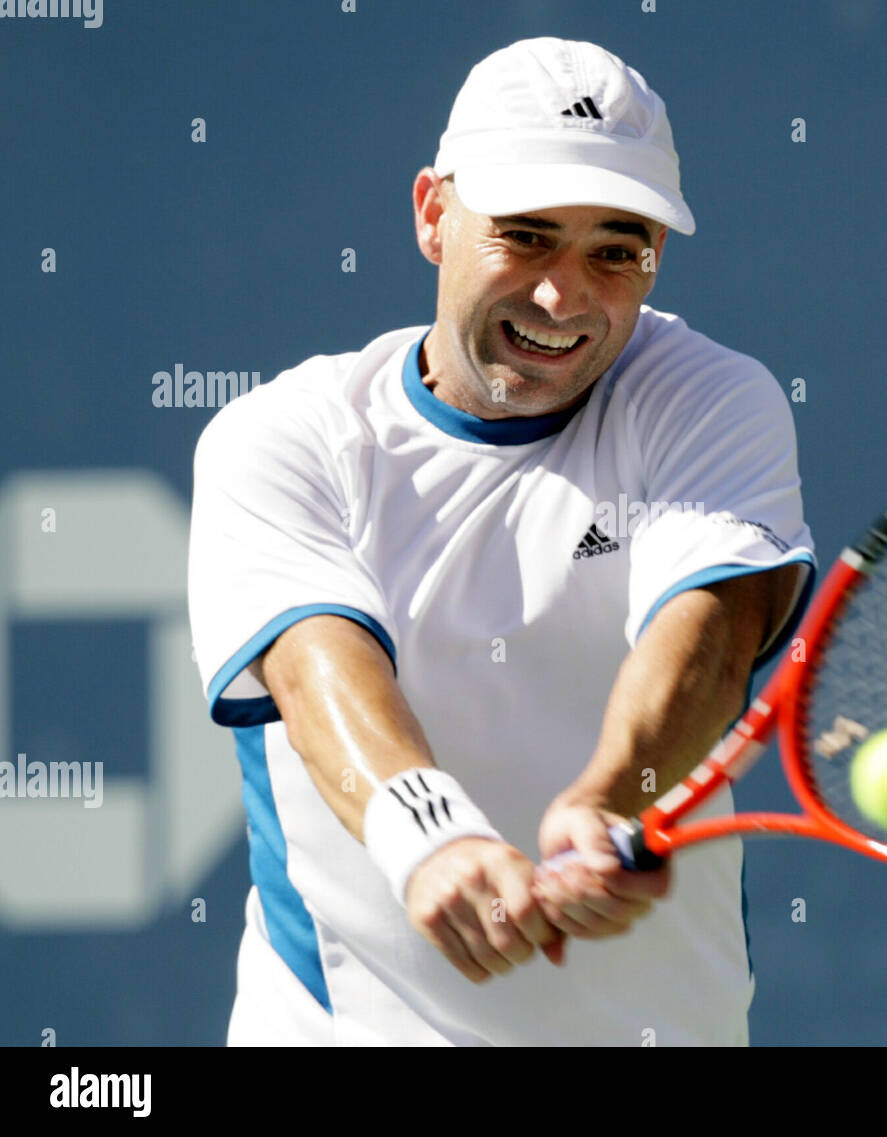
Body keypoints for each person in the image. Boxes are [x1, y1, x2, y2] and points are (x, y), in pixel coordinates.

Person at [188, 36, 815, 1046]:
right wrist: (427, 837)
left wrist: (615, 799)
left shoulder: (709, 397)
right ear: (434, 214)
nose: (564, 297)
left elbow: (708, 640)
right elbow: (316, 675)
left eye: (616, 250)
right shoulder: (283, 435)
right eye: (525, 237)